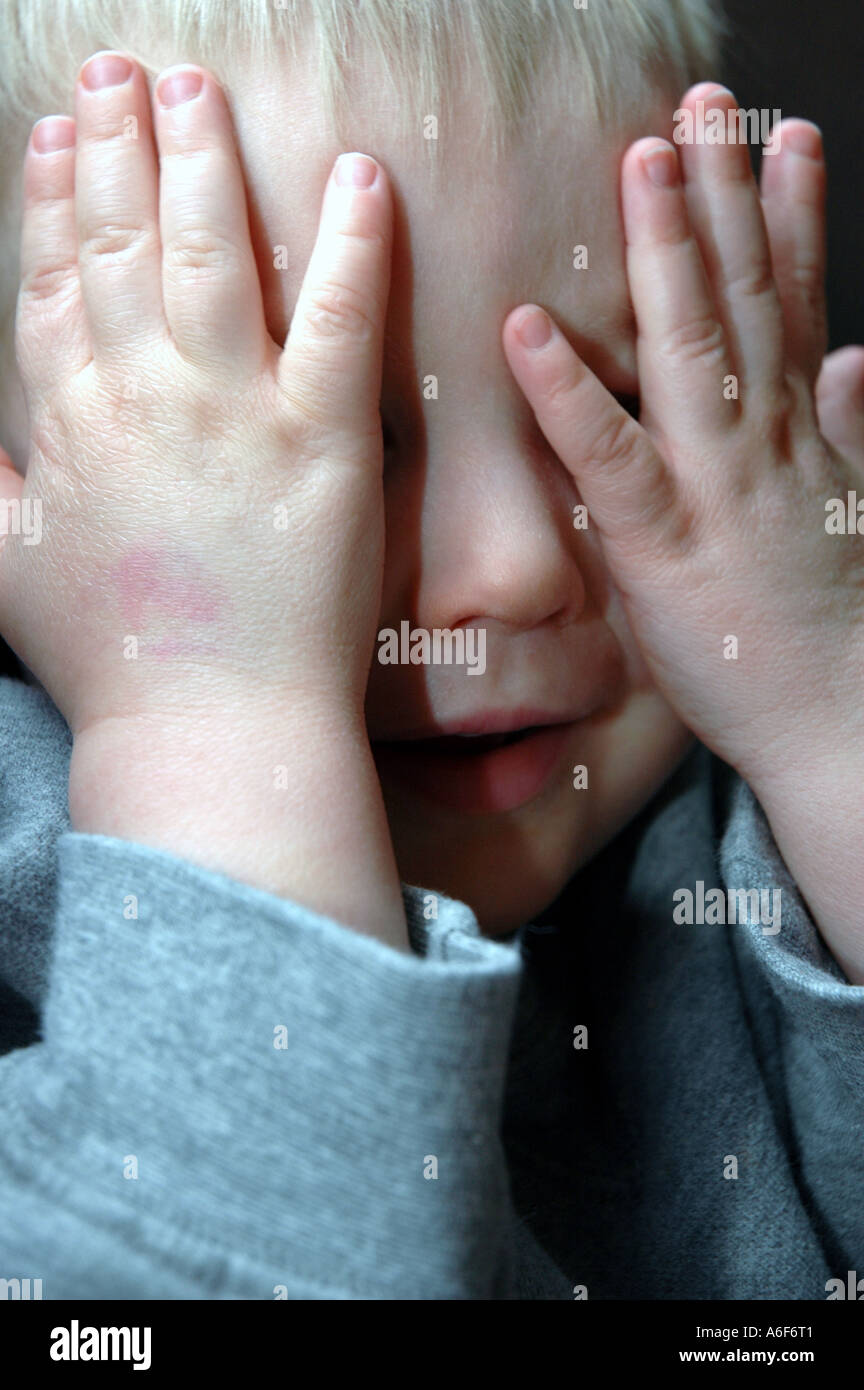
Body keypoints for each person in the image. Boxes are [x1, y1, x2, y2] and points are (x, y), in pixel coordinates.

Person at [0, 0, 862, 1298]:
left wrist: (830, 701)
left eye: (617, 408)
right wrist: (216, 720)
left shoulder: (761, 824)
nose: (513, 570)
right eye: (324, 432)